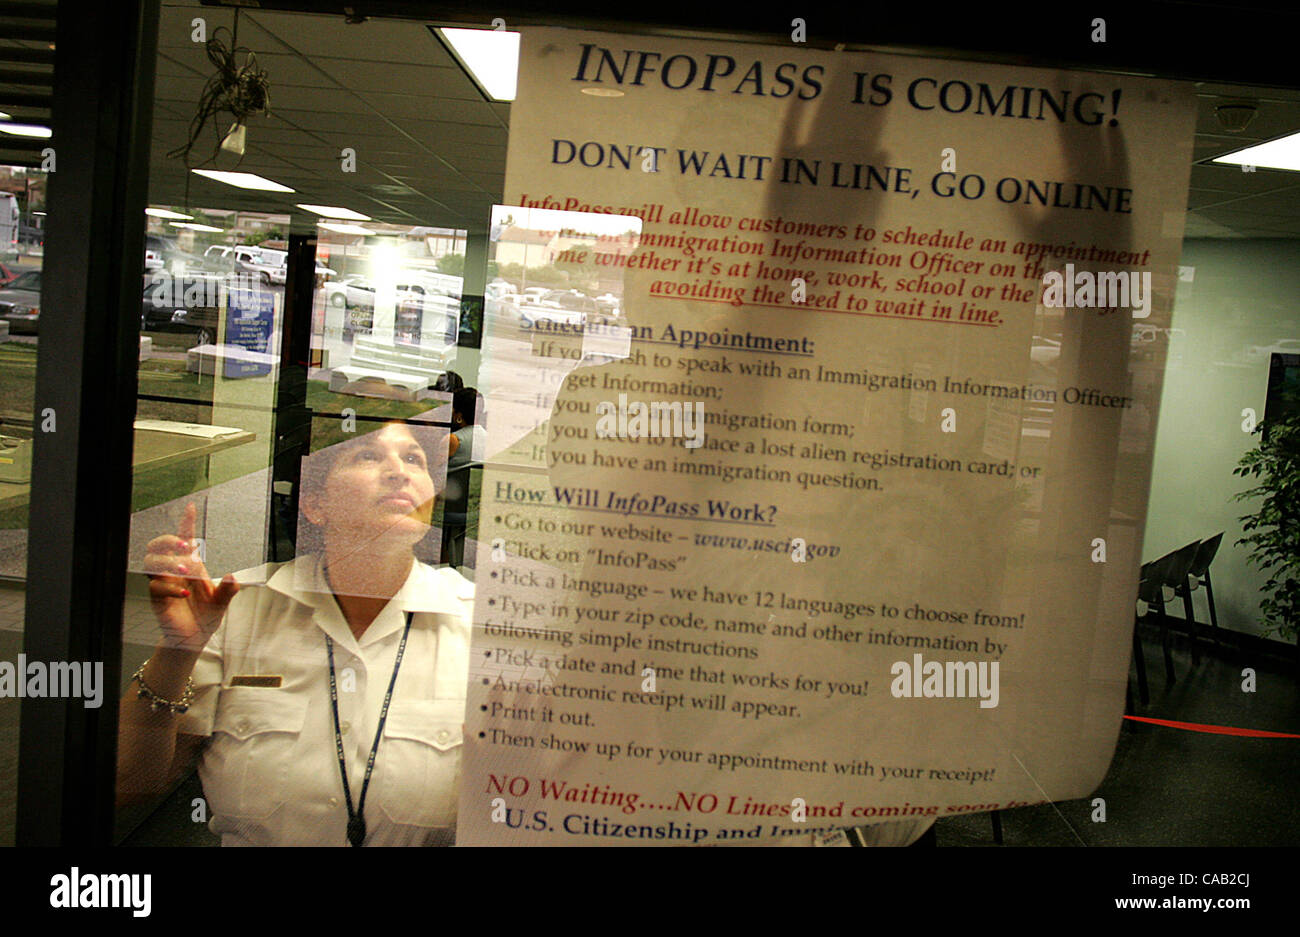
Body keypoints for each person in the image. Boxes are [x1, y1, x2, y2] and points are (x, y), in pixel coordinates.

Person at [116, 421, 472, 846]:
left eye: (414, 459)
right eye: (368, 455)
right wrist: (178, 651)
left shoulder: (478, 624)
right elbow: (129, 784)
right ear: (314, 504)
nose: (399, 471)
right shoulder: (235, 607)